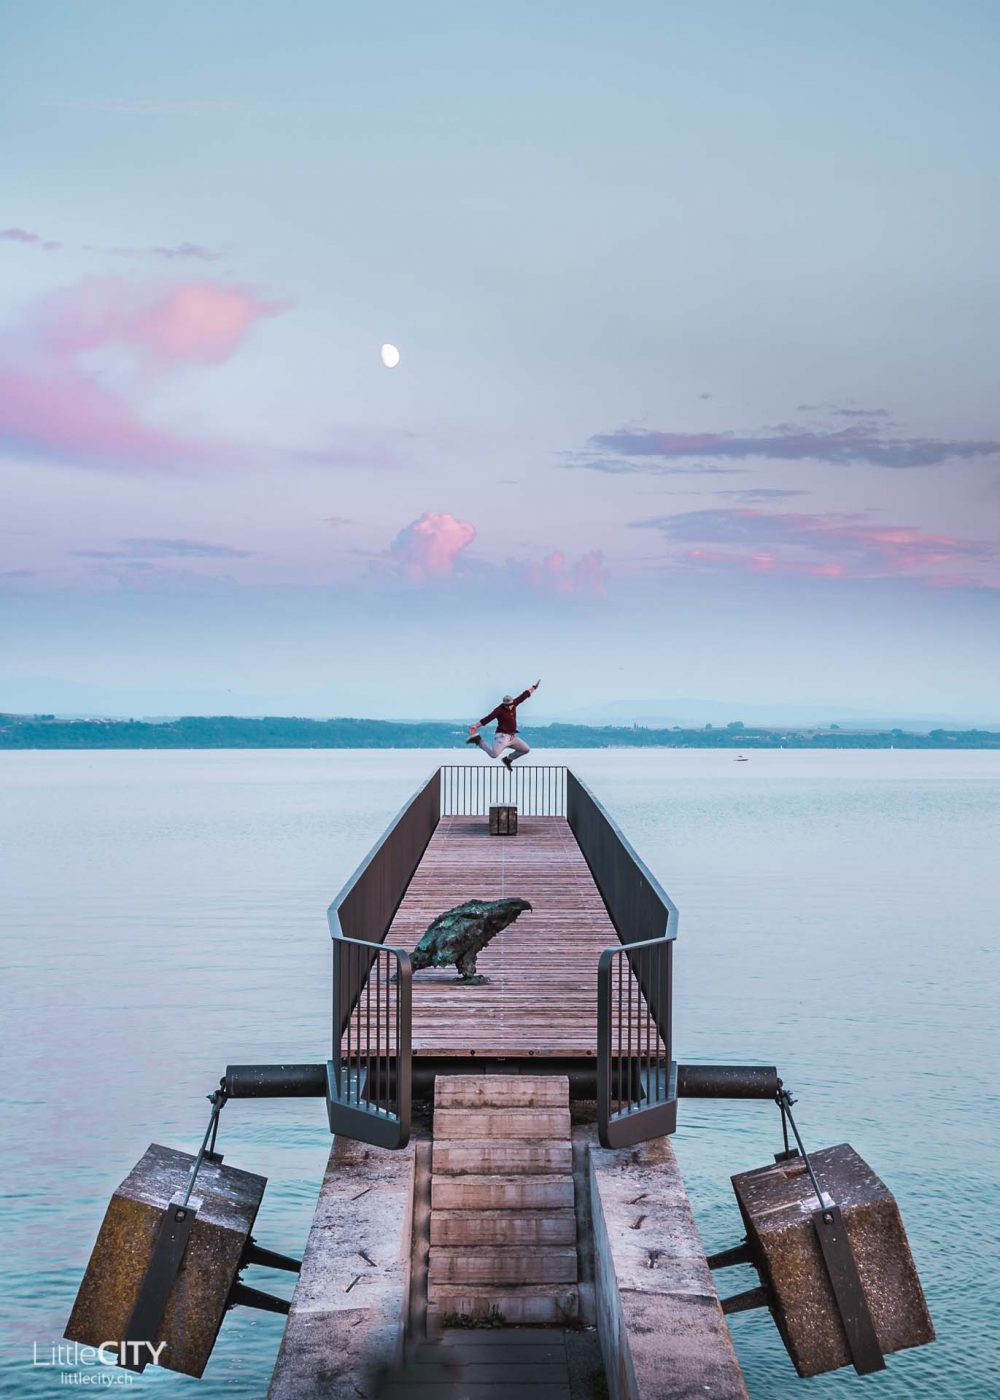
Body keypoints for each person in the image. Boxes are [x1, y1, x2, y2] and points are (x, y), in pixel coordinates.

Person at [466, 680, 541, 769]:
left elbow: (524, 696)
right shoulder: (499, 710)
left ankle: (508, 759)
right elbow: (488, 718)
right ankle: (478, 740)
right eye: (507, 705)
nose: (509, 707)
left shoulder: (514, 703)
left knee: (525, 749)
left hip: (512, 737)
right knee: (494, 754)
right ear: (504, 704)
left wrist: (534, 688)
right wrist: (476, 726)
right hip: (502, 736)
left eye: (510, 705)